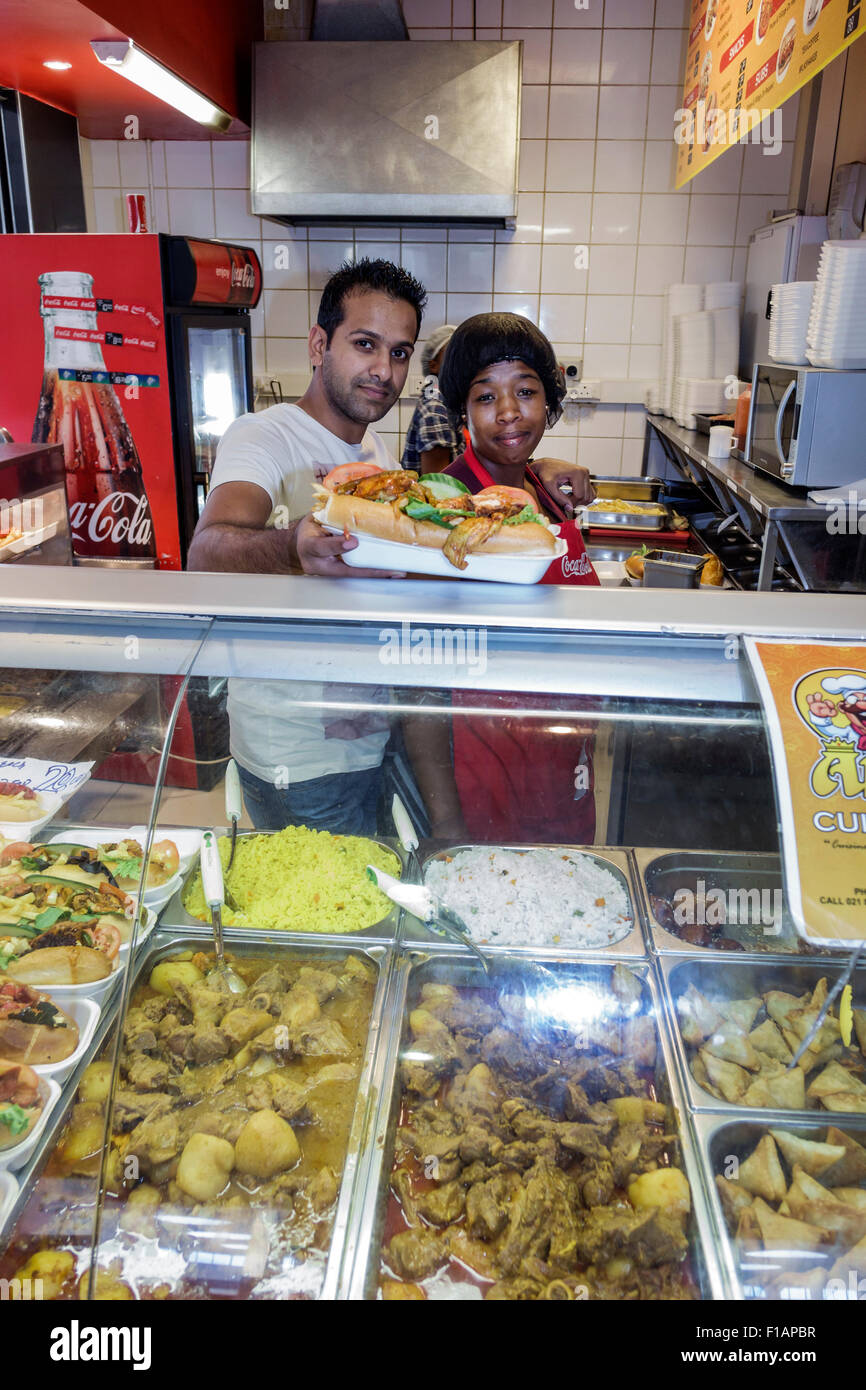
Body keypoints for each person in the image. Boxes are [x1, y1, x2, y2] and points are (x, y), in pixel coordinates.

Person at [188, 267, 595, 835]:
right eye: (364, 345)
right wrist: (292, 547)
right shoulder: (264, 436)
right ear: (317, 344)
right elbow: (205, 550)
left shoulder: (373, 455)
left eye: (400, 352)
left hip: (370, 746)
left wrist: (532, 470)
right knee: (329, 920)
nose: (384, 370)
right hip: (301, 759)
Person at [403, 312, 601, 844]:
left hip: (563, 761)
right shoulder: (447, 508)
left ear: (550, 403)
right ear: (462, 411)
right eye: (486, 397)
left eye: (526, 392)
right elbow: (418, 684)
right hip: (485, 781)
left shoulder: (542, 488)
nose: (509, 413)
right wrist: (446, 823)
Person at [400, 323, 461, 471]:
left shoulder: (445, 401)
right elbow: (437, 486)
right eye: (453, 356)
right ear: (433, 365)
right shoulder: (436, 408)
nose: (462, 364)